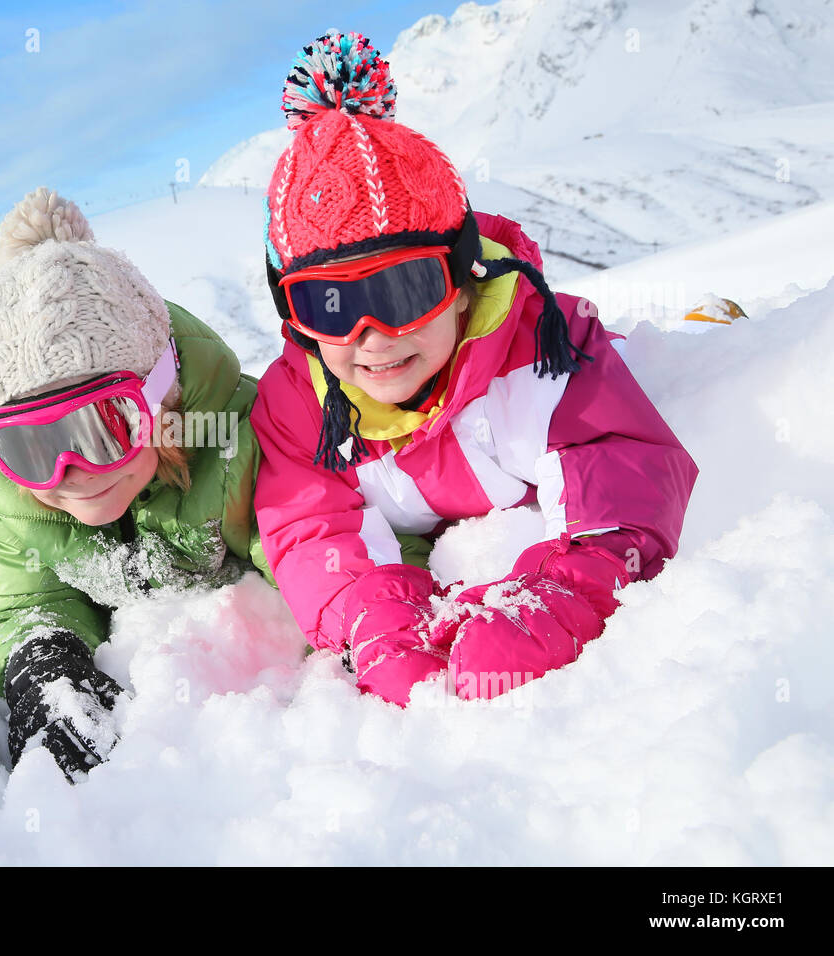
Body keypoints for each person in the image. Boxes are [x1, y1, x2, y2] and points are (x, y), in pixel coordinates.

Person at [252, 31, 699, 705]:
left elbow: (621, 468)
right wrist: (372, 615)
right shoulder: (298, 409)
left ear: (463, 280)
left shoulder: (540, 345)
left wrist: (566, 594)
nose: (371, 337)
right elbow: (313, 532)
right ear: (294, 317)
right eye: (330, 304)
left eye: (403, 292)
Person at [0, 187, 271, 779]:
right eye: (31, 445)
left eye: (102, 427)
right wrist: (45, 668)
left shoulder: (240, 441)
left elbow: (306, 547)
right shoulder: (6, 493)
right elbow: (30, 599)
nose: (70, 471)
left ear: (163, 400)